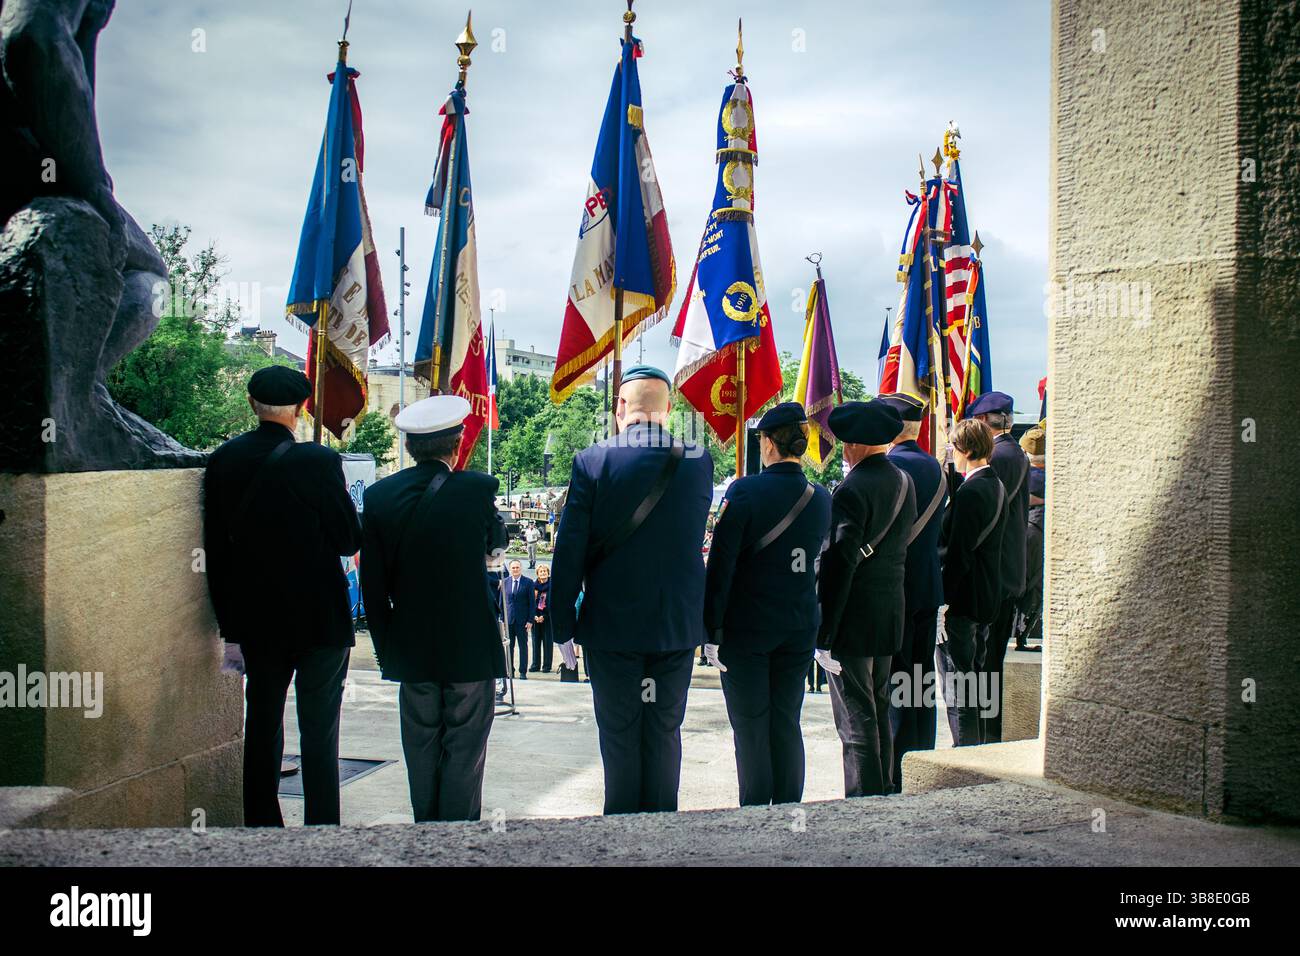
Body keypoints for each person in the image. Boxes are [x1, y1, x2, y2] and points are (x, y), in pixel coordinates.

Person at [549, 365, 713, 815]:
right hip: (674, 626)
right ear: (669, 408)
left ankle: (620, 838)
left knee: (620, 741)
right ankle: (661, 837)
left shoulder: (592, 461)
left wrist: (561, 625)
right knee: (663, 733)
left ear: (620, 407)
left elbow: (569, 553)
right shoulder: (699, 459)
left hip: (612, 629)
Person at [202, 366, 361, 827]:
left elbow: (215, 549)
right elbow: (348, 538)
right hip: (319, 617)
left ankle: (262, 826)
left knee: (263, 723)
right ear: (301, 409)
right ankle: (322, 829)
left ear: (251, 404)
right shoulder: (316, 461)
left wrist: (229, 624)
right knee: (319, 732)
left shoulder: (224, 460)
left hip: (257, 618)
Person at [359, 395, 507, 822]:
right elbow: (494, 547)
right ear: (458, 444)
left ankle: (425, 828)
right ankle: (457, 835)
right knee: (466, 747)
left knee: (420, 745)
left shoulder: (380, 496)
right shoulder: (478, 489)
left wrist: (390, 650)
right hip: (469, 647)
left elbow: (373, 586)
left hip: (412, 647)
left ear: (409, 447)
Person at [702, 402, 832, 806]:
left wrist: (711, 629)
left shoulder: (745, 491)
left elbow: (721, 566)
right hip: (798, 626)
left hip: (748, 629)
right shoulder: (821, 497)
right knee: (786, 722)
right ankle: (789, 807)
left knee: (751, 726)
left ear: (770, 444)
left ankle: (756, 813)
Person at [817, 399, 917, 798]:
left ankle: (864, 803)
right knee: (877, 712)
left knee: (855, 721)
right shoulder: (903, 481)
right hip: (889, 613)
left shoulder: (851, 489)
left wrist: (824, 633)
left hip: (853, 620)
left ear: (854, 445)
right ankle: (885, 788)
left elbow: (839, 564)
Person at [880, 392, 947, 792]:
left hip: (896, 588)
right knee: (922, 679)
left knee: (895, 681)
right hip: (928, 586)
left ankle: (899, 769)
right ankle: (923, 755)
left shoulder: (888, 468)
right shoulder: (936, 468)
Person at [936, 418, 1007, 746]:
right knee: (973, 683)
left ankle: (965, 751)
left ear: (965, 449)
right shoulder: (994, 482)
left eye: (953, 445)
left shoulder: (972, 491)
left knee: (959, 685)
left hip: (963, 601)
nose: (952, 451)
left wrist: (943, 601)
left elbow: (959, 554)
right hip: (985, 595)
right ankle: (973, 747)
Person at [966, 391, 1029, 742]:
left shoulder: (1000, 456)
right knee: (989, 664)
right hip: (1006, 573)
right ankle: (987, 732)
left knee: (986, 666)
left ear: (983, 424)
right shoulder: (1012, 451)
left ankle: (986, 736)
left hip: (996, 576)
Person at [1017, 427, 1046, 651]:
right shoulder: (1051, 477)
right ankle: (1024, 634)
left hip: (1025, 530)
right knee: (1034, 587)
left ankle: (1020, 633)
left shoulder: (1023, 474)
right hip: (1040, 529)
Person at [503, 560, 535, 679]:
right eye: (513, 568)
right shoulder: (505, 582)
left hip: (522, 622)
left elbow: (532, 603)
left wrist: (530, 620)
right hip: (509, 621)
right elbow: (502, 603)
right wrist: (502, 620)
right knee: (509, 648)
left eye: (517, 567)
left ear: (520, 568)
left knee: (523, 647)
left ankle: (523, 672)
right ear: (510, 569)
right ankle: (510, 671)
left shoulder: (528, 582)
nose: (515, 569)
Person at [532, 563, 554, 673]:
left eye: (545, 571)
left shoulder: (552, 586)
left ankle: (546, 666)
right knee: (535, 642)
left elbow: (554, 604)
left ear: (548, 573)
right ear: (537, 574)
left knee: (547, 643)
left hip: (548, 618)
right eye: (541, 571)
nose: (543, 573)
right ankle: (535, 665)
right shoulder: (534, 586)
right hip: (535, 618)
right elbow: (531, 602)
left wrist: (544, 616)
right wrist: (535, 616)